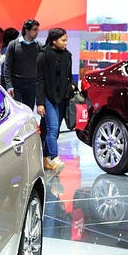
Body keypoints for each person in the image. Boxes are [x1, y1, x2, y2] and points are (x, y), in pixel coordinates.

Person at [36, 27, 73, 172]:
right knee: (53, 128)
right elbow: (39, 80)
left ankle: (45, 158)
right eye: (63, 40)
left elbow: (69, 77)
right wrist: (40, 103)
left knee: (49, 129)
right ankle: (55, 158)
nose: (65, 43)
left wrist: (71, 87)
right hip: (47, 97)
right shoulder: (43, 56)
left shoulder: (67, 55)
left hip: (62, 97)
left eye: (66, 40)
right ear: (54, 40)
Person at [3, 18, 41, 107]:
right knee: (17, 109)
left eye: (37, 29)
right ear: (27, 30)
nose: (37, 32)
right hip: (16, 84)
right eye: (34, 29)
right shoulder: (13, 44)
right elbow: (7, 66)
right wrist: (9, 85)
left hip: (32, 84)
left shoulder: (39, 46)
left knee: (29, 110)